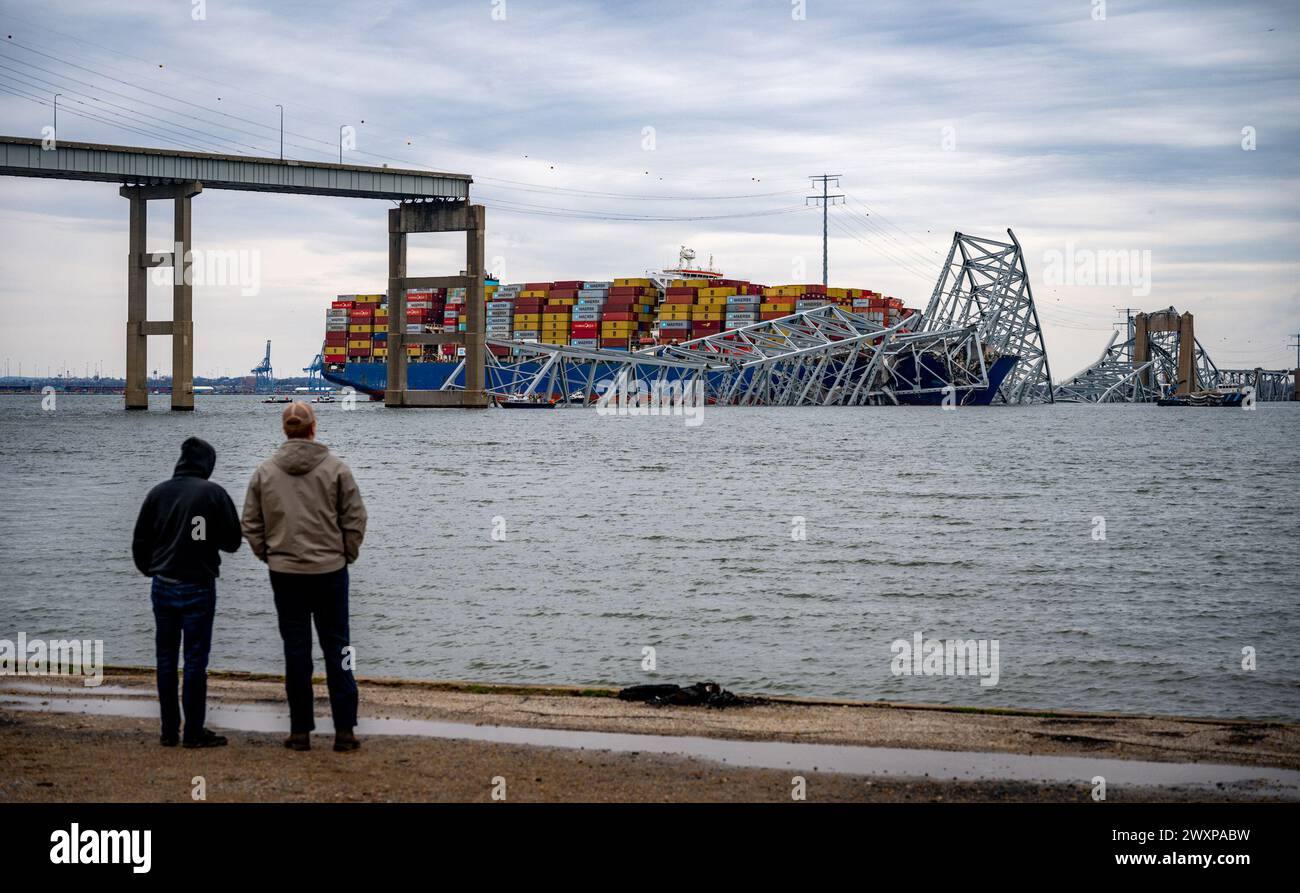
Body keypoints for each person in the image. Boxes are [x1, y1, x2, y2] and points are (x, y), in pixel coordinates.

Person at [242, 401, 367, 753]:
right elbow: (355, 518)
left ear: (286, 430)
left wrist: (269, 555)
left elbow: (250, 524)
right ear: (313, 428)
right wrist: (346, 555)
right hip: (330, 572)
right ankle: (344, 731)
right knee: (338, 648)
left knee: (296, 652)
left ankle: (300, 732)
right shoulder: (336, 469)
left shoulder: (264, 473)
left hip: (285, 575)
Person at [131, 436, 241, 748]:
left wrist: (149, 569)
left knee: (165, 659)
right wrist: (208, 539)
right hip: (199, 586)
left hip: (163, 585)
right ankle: (193, 731)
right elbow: (233, 541)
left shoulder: (158, 493)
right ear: (208, 464)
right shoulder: (214, 494)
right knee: (195, 660)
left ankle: (168, 731)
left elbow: (140, 541)